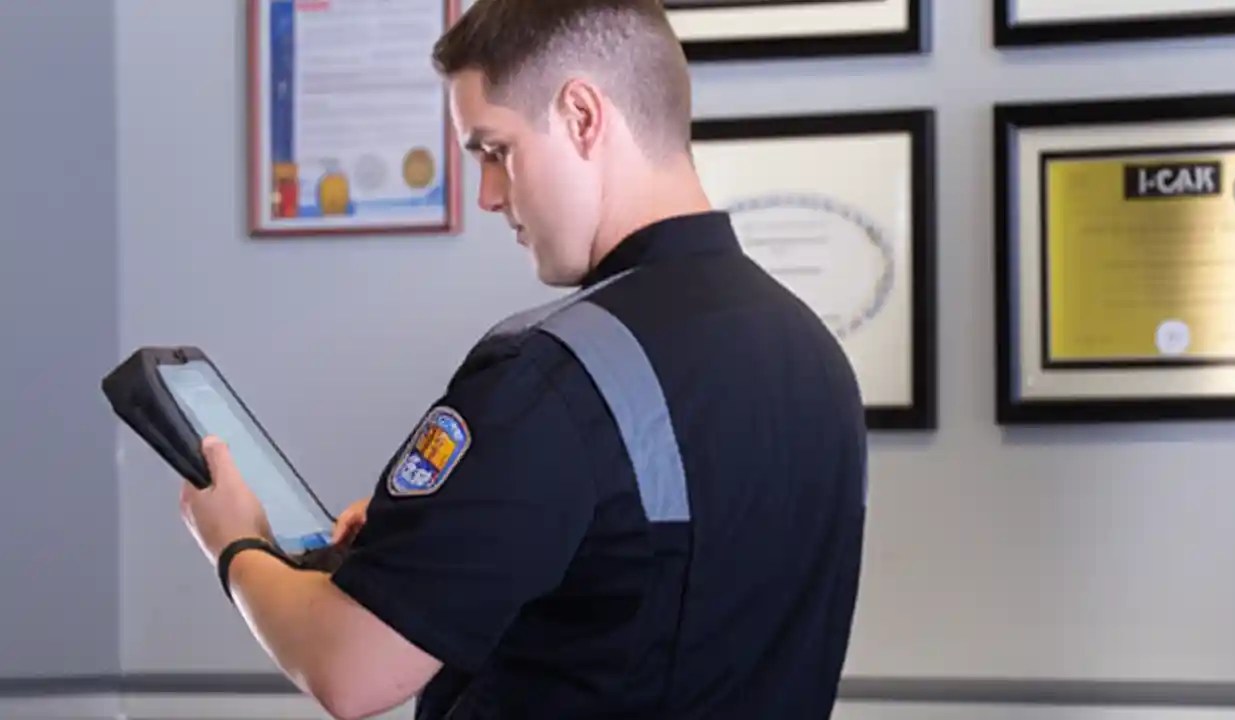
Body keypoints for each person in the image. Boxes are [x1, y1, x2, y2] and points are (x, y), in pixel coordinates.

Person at [178, 0, 868, 718]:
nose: (488, 195)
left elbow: (350, 669)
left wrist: (236, 543)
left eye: (495, 150)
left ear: (581, 115)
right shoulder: (815, 358)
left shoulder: (550, 376)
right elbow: (648, 583)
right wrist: (448, 532)